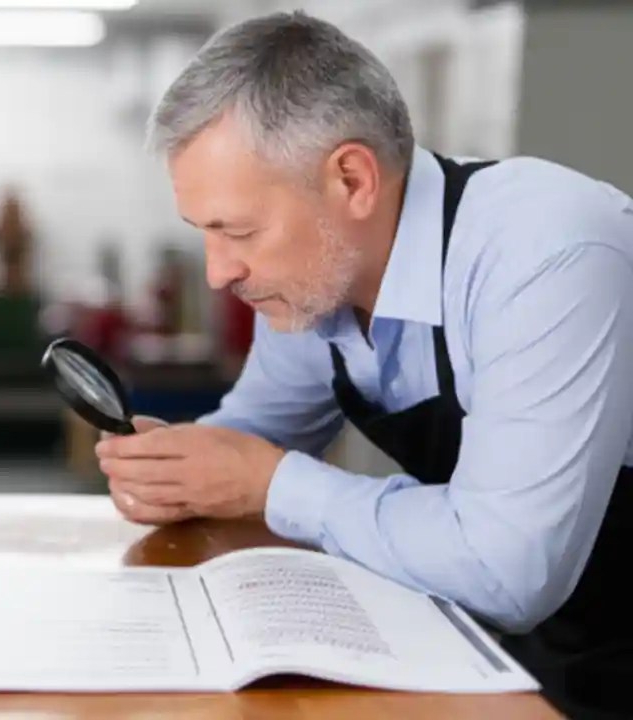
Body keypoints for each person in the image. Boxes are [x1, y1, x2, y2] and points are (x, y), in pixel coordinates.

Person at [94, 11, 633, 718]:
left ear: (352, 180)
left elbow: (510, 568)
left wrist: (272, 482)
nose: (219, 272)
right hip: (518, 652)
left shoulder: (546, 251)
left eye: (239, 231)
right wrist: (173, 472)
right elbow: (248, 441)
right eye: (205, 234)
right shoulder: (318, 278)